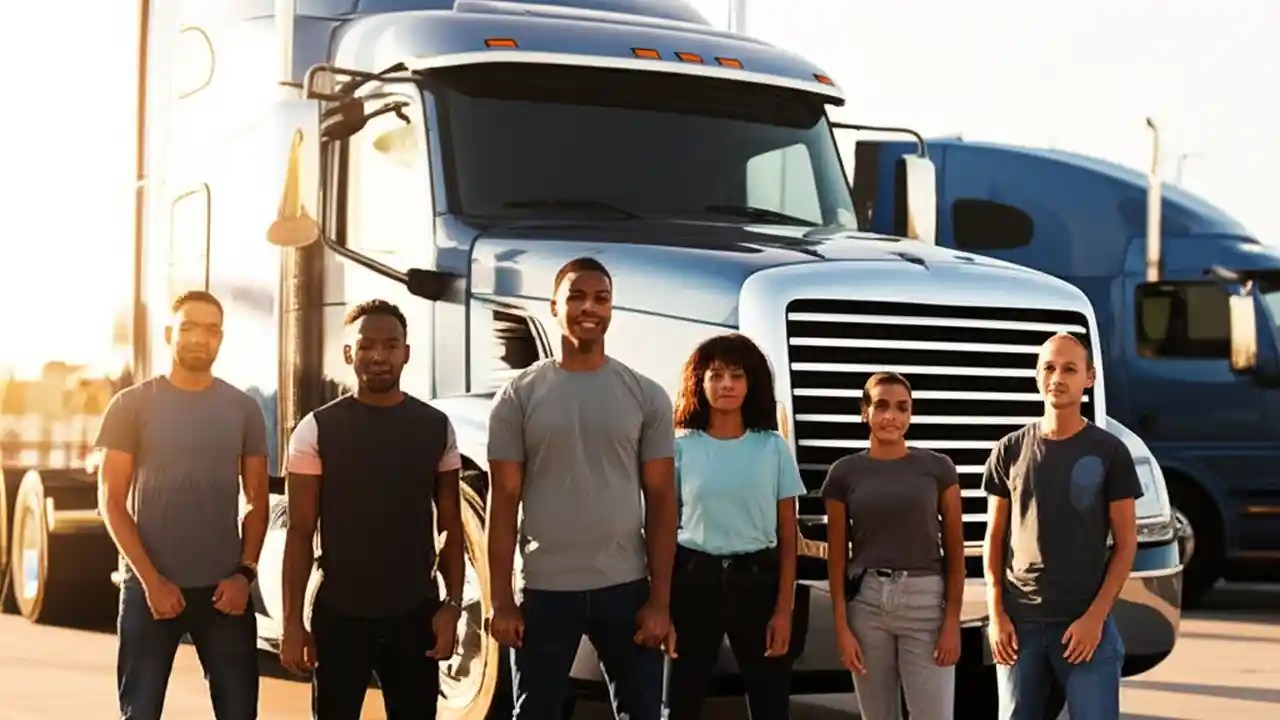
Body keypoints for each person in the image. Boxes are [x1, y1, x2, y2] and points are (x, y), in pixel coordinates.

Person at [486, 256, 677, 720]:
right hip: (546, 590)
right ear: (554, 305)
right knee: (535, 714)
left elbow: (661, 500)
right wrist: (502, 601)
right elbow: (504, 501)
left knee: (643, 713)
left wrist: (659, 602)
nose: (589, 307)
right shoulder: (518, 396)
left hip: (626, 588)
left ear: (612, 310)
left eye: (601, 298)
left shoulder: (646, 394)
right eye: (576, 296)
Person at [279, 299, 465, 719]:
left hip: (415, 614)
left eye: (390, 345)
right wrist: (293, 624)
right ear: (349, 354)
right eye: (366, 346)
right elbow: (300, 531)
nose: (378, 356)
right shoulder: (316, 429)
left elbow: (451, 527)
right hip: (339, 614)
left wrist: (451, 606)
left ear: (406, 353)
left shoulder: (436, 427)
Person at [97, 290, 270, 720]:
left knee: (239, 713)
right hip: (149, 590)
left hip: (224, 594)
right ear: (169, 333)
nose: (199, 338)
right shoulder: (131, 405)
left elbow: (257, 500)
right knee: (140, 713)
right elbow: (112, 501)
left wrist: (244, 575)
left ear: (221, 339)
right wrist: (152, 581)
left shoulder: (243, 409)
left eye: (211, 330)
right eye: (189, 327)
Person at [982, 332, 1143, 720]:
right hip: (1021, 627)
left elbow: (1126, 546)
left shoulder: (1110, 452)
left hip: (1085, 625)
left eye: (1069, 368)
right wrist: (997, 616)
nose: (1058, 377)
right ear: (1037, 377)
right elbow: (994, 539)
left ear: (1089, 377)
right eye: (1049, 368)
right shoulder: (1010, 449)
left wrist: (1095, 619)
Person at [664, 333, 806, 719]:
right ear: (699, 382)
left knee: (770, 702)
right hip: (694, 581)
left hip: (758, 581)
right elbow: (663, 530)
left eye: (737, 375)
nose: (727, 384)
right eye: (716, 375)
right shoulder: (680, 448)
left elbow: (789, 535)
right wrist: (663, 608)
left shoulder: (772, 447)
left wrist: (783, 611)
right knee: (681, 699)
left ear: (751, 383)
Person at [821, 371, 964, 720]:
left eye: (902, 408)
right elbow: (837, 557)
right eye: (881, 406)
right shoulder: (843, 473)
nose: (892, 417)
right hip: (867, 605)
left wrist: (951, 623)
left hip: (925, 603)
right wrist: (841, 627)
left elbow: (956, 552)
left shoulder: (938, 468)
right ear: (864, 412)